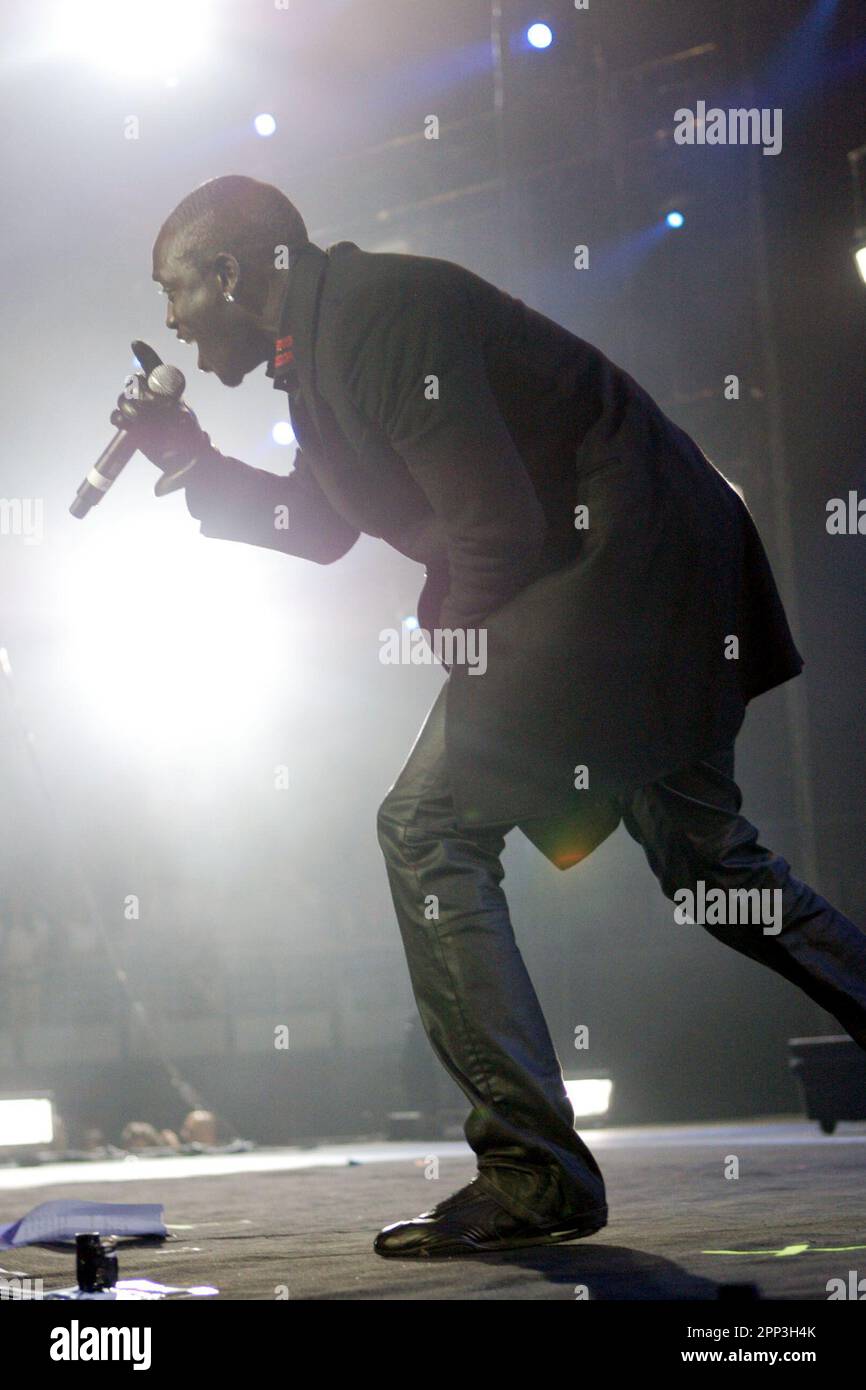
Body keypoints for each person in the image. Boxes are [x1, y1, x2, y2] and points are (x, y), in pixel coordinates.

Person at [118, 174, 866, 1258]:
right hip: (645, 578)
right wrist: (189, 456)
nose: (172, 320)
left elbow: (494, 531)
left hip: (613, 579)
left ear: (229, 272)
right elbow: (323, 523)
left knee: (425, 826)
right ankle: (538, 1164)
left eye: (173, 290)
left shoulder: (376, 314)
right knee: (713, 870)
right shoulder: (327, 341)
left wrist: (472, 684)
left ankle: (534, 1172)